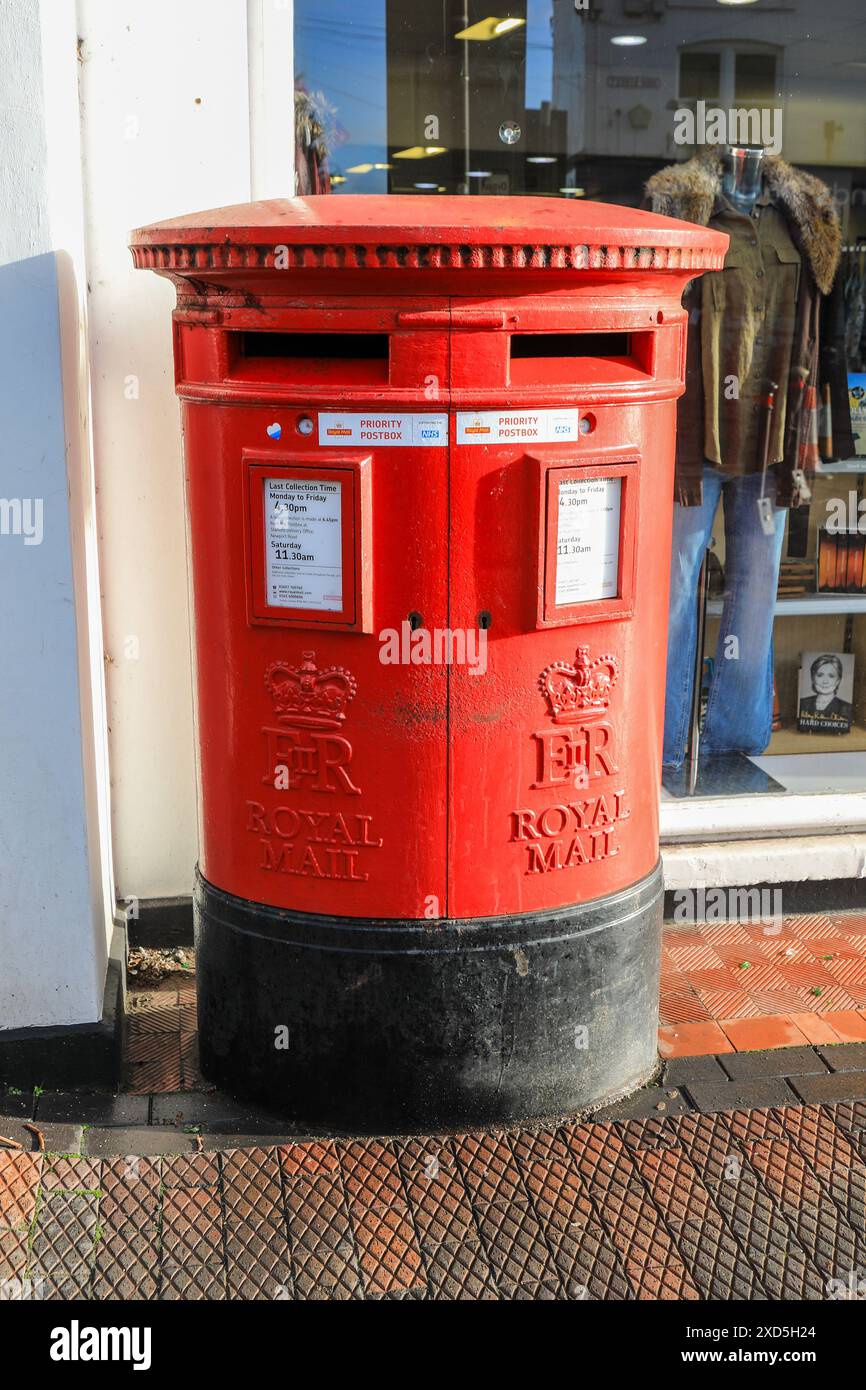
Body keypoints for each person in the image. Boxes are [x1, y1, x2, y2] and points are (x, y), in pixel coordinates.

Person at [799, 654, 852, 723]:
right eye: (820, 675)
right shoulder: (802, 703)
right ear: (813, 678)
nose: (825, 681)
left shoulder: (847, 707)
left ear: (838, 680)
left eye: (831, 676)